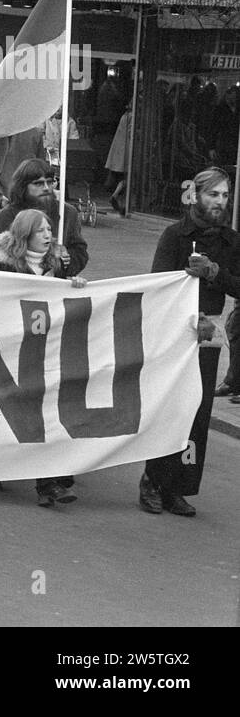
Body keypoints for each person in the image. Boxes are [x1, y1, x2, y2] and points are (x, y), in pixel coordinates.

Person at [140, 167, 240, 518]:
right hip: (175, 332)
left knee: (197, 414)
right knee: (170, 409)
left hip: (208, 336)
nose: (220, 201)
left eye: (225, 195)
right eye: (213, 194)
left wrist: (215, 273)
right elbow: (158, 284)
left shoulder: (230, 241)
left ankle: (178, 488)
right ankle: (152, 481)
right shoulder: (175, 235)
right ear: (195, 195)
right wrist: (188, 312)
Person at [0, 208, 89, 507]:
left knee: (48, 412)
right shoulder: (1, 267)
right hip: (12, 350)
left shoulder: (56, 264)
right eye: (41, 230)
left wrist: (75, 282)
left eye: (49, 230)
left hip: (47, 350)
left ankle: (49, 484)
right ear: (25, 235)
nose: (48, 235)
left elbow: (67, 297)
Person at [0, 159, 88, 277]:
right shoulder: (2, 219)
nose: (46, 188)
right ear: (22, 186)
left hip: (56, 287)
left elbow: (80, 252)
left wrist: (61, 264)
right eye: (38, 183)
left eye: (49, 182)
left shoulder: (68, 213)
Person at [105, 105, 132, 215]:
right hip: (126, 150)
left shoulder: (124, 116)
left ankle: (116, 195)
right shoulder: (131, 116)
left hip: (119, 149)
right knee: (128, 176)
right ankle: (117, 196)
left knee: (123, 176)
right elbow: (131, 133)